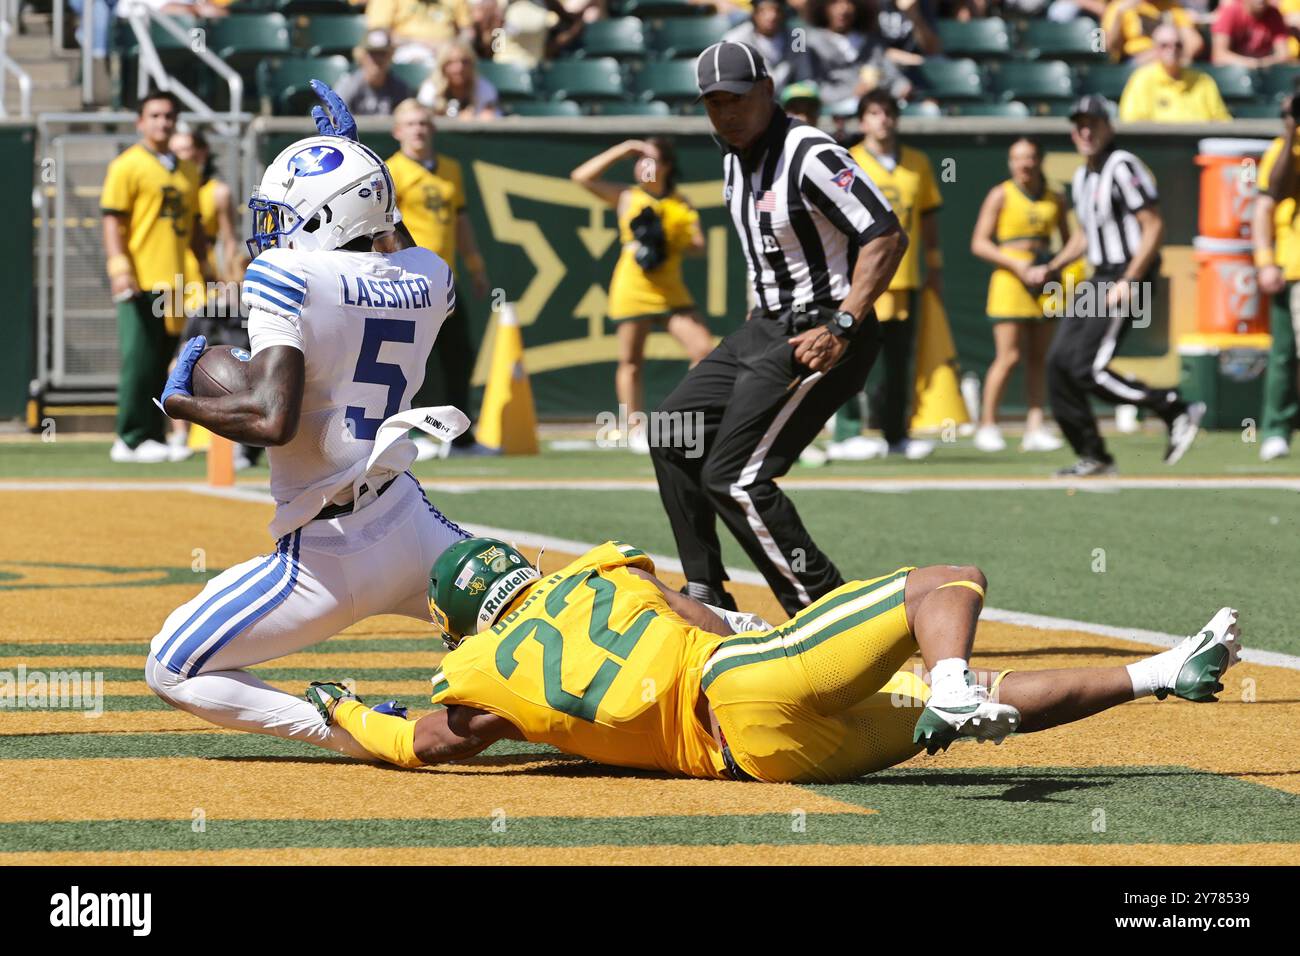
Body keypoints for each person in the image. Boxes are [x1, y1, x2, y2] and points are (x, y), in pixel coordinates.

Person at [303, 535, 1242, 783]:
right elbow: (701, 613)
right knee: (947, 585)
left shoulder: (479, 677)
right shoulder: (602, 571)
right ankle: (955, 687)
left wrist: (345, 713)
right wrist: (758, 637)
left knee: (949, 704)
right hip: (739, 679)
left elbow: (431, 742)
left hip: (760, 760)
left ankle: (1167, 670)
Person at [145, 83, 469, 758]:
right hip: (412, 525)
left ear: (321, 216)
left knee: (169, 664)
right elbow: (393, 238)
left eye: (285, 213)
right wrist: (361, 161)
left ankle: (345, 732)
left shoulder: (285, 276)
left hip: (323, 557)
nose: (272, 227)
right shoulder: (429, 276)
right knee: (543, 620)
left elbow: (270, 419)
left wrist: (181, 405)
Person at [650, 41, 905, 615]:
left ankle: (829, 612)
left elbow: (885, 236)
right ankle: (706, 593)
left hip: (824, 330)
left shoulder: (810, 151)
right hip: (765, 328)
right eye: (714, 102)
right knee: (671, 428)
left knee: (735, 477)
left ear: (766, 91)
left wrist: (843, 323)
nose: (727, 112)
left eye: (737, 99)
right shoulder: (734, 158)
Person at [1038, 95, 1205, 477]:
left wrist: (1130, 280)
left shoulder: (1123, 165)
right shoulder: (1083, 175)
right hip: (1099, 275)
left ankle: (1173, 406)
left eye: (1092, 123)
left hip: (1129, 273)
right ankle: (1094, 455)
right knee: (1058, 365)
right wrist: (1053, 265)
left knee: (1087, 368)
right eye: (1079, 124)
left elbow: (1154, 225)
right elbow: (1085, 234)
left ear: (1108, 127)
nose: (1085, 131)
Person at [570, 137, 714, 454]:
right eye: (640, 160)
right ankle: (634, 428)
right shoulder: (627, 196)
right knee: (631, 360)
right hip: (633, 286)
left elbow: (700, 246)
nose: (643, 166)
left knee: (703, 351)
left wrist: (668, 238)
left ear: (666, 167)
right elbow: (581, 177)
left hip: (670, 288)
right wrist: (622, 150)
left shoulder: (680, 202)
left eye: (651, 159)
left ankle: (677, 418)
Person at [828, 90, 939, 461]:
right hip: (860, 277)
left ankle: (896, 435)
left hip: (904, 277)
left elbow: (928, 217)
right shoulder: (847, 161)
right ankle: (845, 433)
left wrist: (934, 265)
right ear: (862, 121)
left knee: (896, 364)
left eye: (889, 112)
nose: (883, 120)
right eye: (874, 113)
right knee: (847, 354)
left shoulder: (918, 163)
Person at [101, 89, 210, 464]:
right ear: (140, 121)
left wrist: (206, 267)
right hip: (142, 278)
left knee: (164, 360)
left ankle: (152, 434)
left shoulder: (188, 169)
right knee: (140, 359)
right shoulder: (127, 166)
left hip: (177, 281)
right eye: (155, 115)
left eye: (168, 116)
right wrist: (119, 268)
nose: (162, 122)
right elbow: (113, 221)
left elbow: (195, 224)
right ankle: (129, 437)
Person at [386, 99, 497, 457]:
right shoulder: (391, 171)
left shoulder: (449, 169)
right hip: (406, 280)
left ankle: (460, 436)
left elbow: (460, 221)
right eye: (411, 123)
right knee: (411, 359)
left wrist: (476, 266)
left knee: (458, 355)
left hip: (444, 280)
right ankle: (412, 432)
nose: (418, 129)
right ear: (397, 131)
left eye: (423, 123)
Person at [969, 138, 1070, 454]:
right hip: (1010, 280)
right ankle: (987, 424)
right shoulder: (1000, 194)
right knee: (1008, 356)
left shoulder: (1056, 197)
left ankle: (1036, 425)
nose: (1023, 165)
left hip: (1046, 279)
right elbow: (980, 243)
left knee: (1041, 357)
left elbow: (1069, 241)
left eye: (1028, 158)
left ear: (1040, 160)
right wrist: (1016, 264)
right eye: (1016, 159)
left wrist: (1051, 267)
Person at [168, 124, 249, 465]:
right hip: (170, 273)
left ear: (201, 153)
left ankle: (236, 441)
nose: (182, 156)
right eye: (177, 150)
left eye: (188, 149)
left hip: (205, 279)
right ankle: (168, 435)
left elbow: (229, 240)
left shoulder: (217, 191)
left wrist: (231, 278)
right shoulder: (169, 184)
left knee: (207, 351)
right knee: (172, 355)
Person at [1253, 93, 1300, 462]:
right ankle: (1276, 427)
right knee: (1284, 356)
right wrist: (1290, 136)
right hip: (1293, 266)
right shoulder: (1282, 150)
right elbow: (1275, 192)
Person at [803, 0, 912, 107]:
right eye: (834, 2)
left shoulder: (871, 42)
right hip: (834, 116)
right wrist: (853, 92)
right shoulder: (813, 43)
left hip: (873, 112)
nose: (843, 9)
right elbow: (813, 88)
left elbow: (892, 76)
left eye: (849, 2)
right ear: (823, 7)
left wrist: (901, 88)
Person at [1118, 23, 1232, 123]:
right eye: (1164, 45)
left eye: (1178, 45)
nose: (1172, 50)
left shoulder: (1203, 81)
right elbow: (1131, 122)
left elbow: (1222, 121)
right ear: (1154, 49)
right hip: (1157, 145)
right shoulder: (1141, 80)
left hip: (1200, 145)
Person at [724, 0, 814, 92]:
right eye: (763, 11)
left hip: (790, 99)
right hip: (752, 97)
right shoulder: (737, 39)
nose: (771, 16)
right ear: (754, 13)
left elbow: (805, 76)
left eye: (776, 10)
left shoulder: (797, 38)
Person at [334, 29, 415, 116]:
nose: (378, 59)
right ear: (361, 56)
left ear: (391, 56)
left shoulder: (400, 88)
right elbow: (338, 120)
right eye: (372, 54)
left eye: (382, 54)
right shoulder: (348, 85)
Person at [417, 41, 500, 119]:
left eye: (465, 62)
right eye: (451, 63)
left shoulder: (484, 88)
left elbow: (490, 119)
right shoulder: (430, 89)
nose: (459, 68)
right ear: (442, 66)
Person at [1101, 0, 1203, 63]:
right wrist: (1119, 16)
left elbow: (1195, 43)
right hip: (1134, 62)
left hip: (1170, 58)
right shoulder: (1119, 6)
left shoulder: (1173, 6)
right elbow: (1108, 47)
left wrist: (1177, 57)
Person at [1211, 0, 1294, 67]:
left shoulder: (1274, 14)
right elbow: (1219, 55)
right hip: (1232, 74)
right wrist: (1251, 64)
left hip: (1264, 75)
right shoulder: (1230, 10)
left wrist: (1262, 63)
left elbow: (1283, 55)